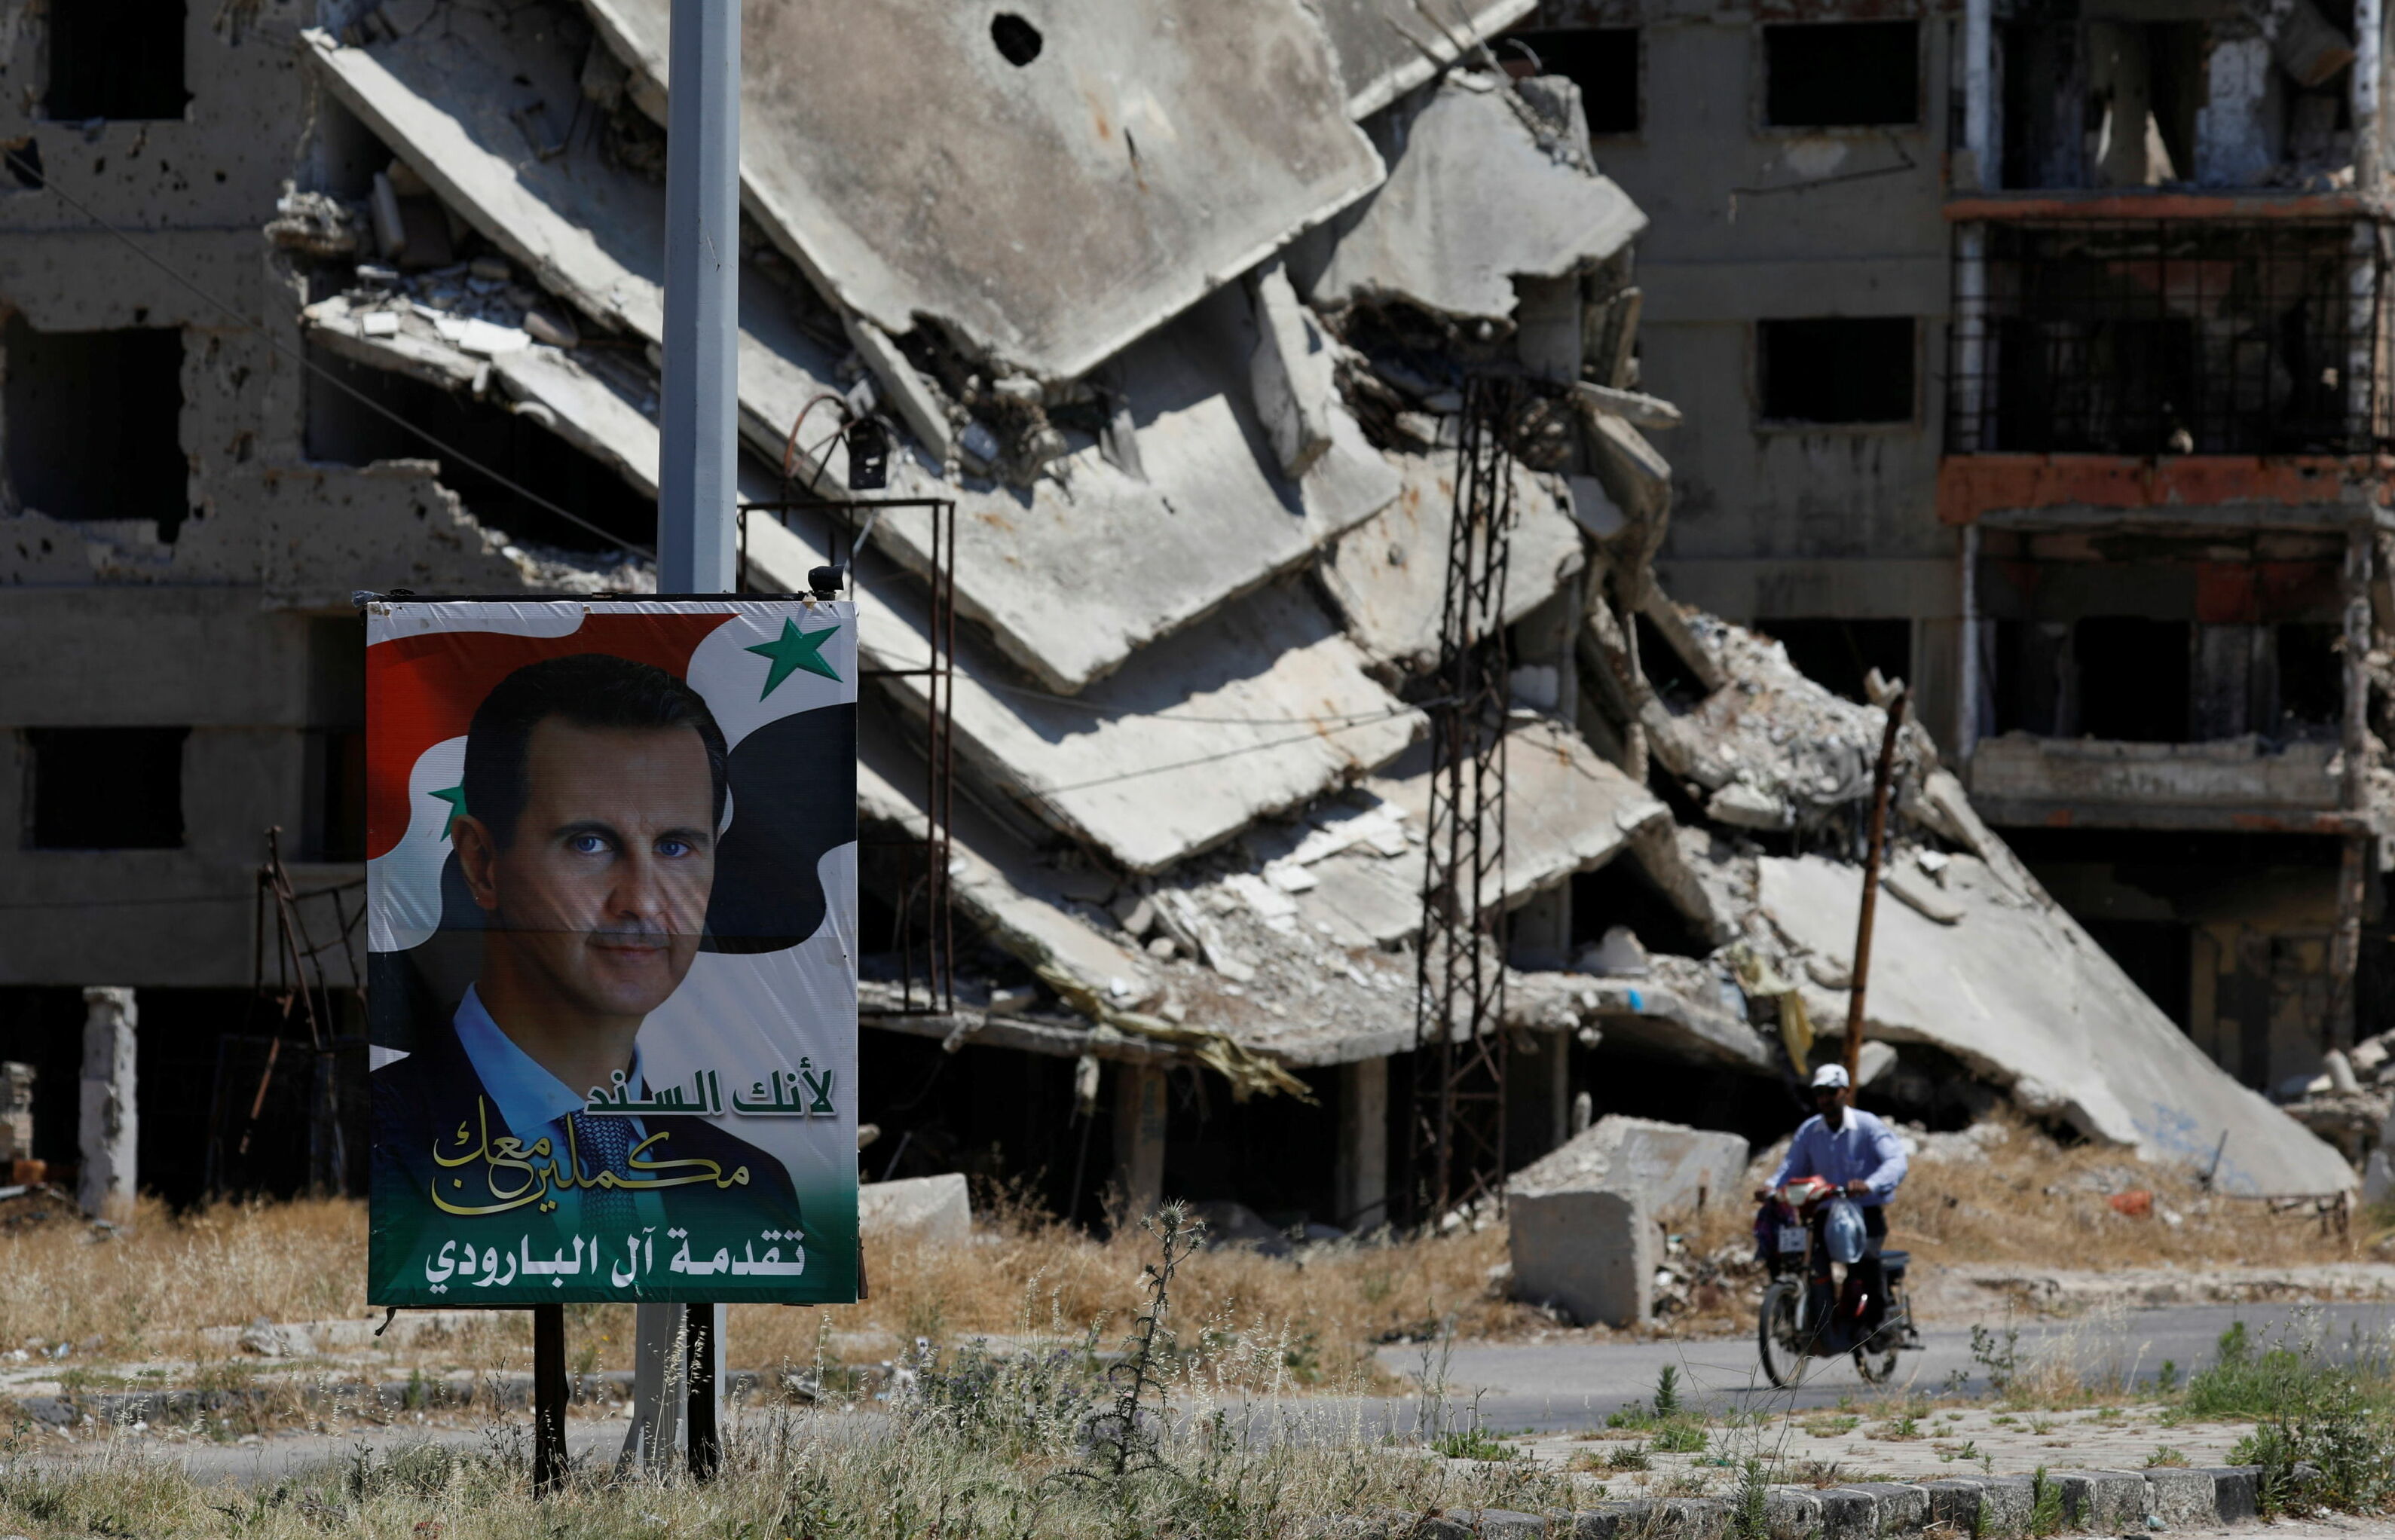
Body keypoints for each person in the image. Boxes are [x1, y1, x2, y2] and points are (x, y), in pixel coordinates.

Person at [373, 652, 794, 1242]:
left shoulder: (752, 1186)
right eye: (591, 843)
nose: (643, 903)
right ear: (482, 864)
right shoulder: (378, 1141)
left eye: (676, 847)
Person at [1757, 1062, 1909, 1340]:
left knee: (1865, 1258)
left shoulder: (1867, 1125)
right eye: (1819, 1093)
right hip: (1825, 1213)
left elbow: (1896, 1161)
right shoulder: (1810, 1130)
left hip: (1865, 1211)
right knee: (1798, 1258)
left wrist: (1870, 1184)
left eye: (1830, 1092)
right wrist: (1770, 1187)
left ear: (1845, 1092)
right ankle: (1814, 1320)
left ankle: (1878, 1321)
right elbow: (1791, 1167)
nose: (1824, 1099)